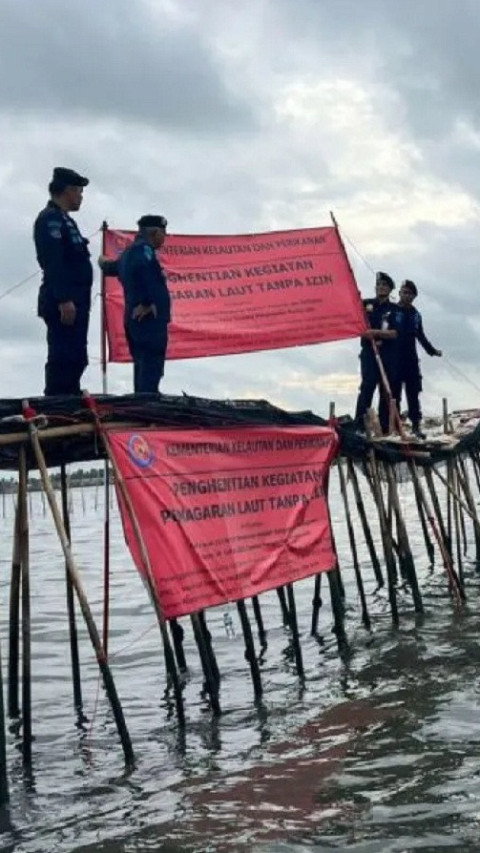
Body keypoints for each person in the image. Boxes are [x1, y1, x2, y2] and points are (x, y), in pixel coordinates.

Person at [34, 167, 92, 395]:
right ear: (67, 191)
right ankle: (57, 403)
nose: (80, 197)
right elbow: (53, 262)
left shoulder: (65, 220)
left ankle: (70, 398)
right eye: (78, 191)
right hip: (64, 301)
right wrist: (64, 299)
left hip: (78, 300)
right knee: (63, 357)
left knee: (77, 356)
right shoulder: (50, 220)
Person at [99, 215, 170, 393]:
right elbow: (141, 270)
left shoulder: (131, 252)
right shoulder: (143, 251)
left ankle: (144, 399)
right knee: (150, 364)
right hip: (147, 319)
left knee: (144, 364)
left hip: (137, 320)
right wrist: (146, 301)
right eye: (163, 233)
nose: (165, 238)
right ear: (154, 232)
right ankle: (148, 405)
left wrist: (103, 262)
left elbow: (112, 268)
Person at [393, 279, 442, 439]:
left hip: (411, 360)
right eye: (403, 292)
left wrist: (432, 351)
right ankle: (395, 427)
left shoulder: (416, 315)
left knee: (413, 393)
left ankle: (416, 426)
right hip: (394, 359)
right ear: (399, 293)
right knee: (395, 395)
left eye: (408, 293)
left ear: (414, 296)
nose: (405, 295)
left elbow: (421, 336)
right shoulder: (392, 311)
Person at [353, 271, 398, 434]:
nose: (381, 288)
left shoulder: (395, 309)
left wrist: (375, 333)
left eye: (384, 285)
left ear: (390, 289)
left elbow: (395, 332)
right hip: (369, 353)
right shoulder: (365, 305)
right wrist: (366, 333)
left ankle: (385, 427)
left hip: (388, 354)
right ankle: (359, 425)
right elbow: (357, 325)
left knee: (386, 389)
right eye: (378, 285)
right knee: (367, 386)